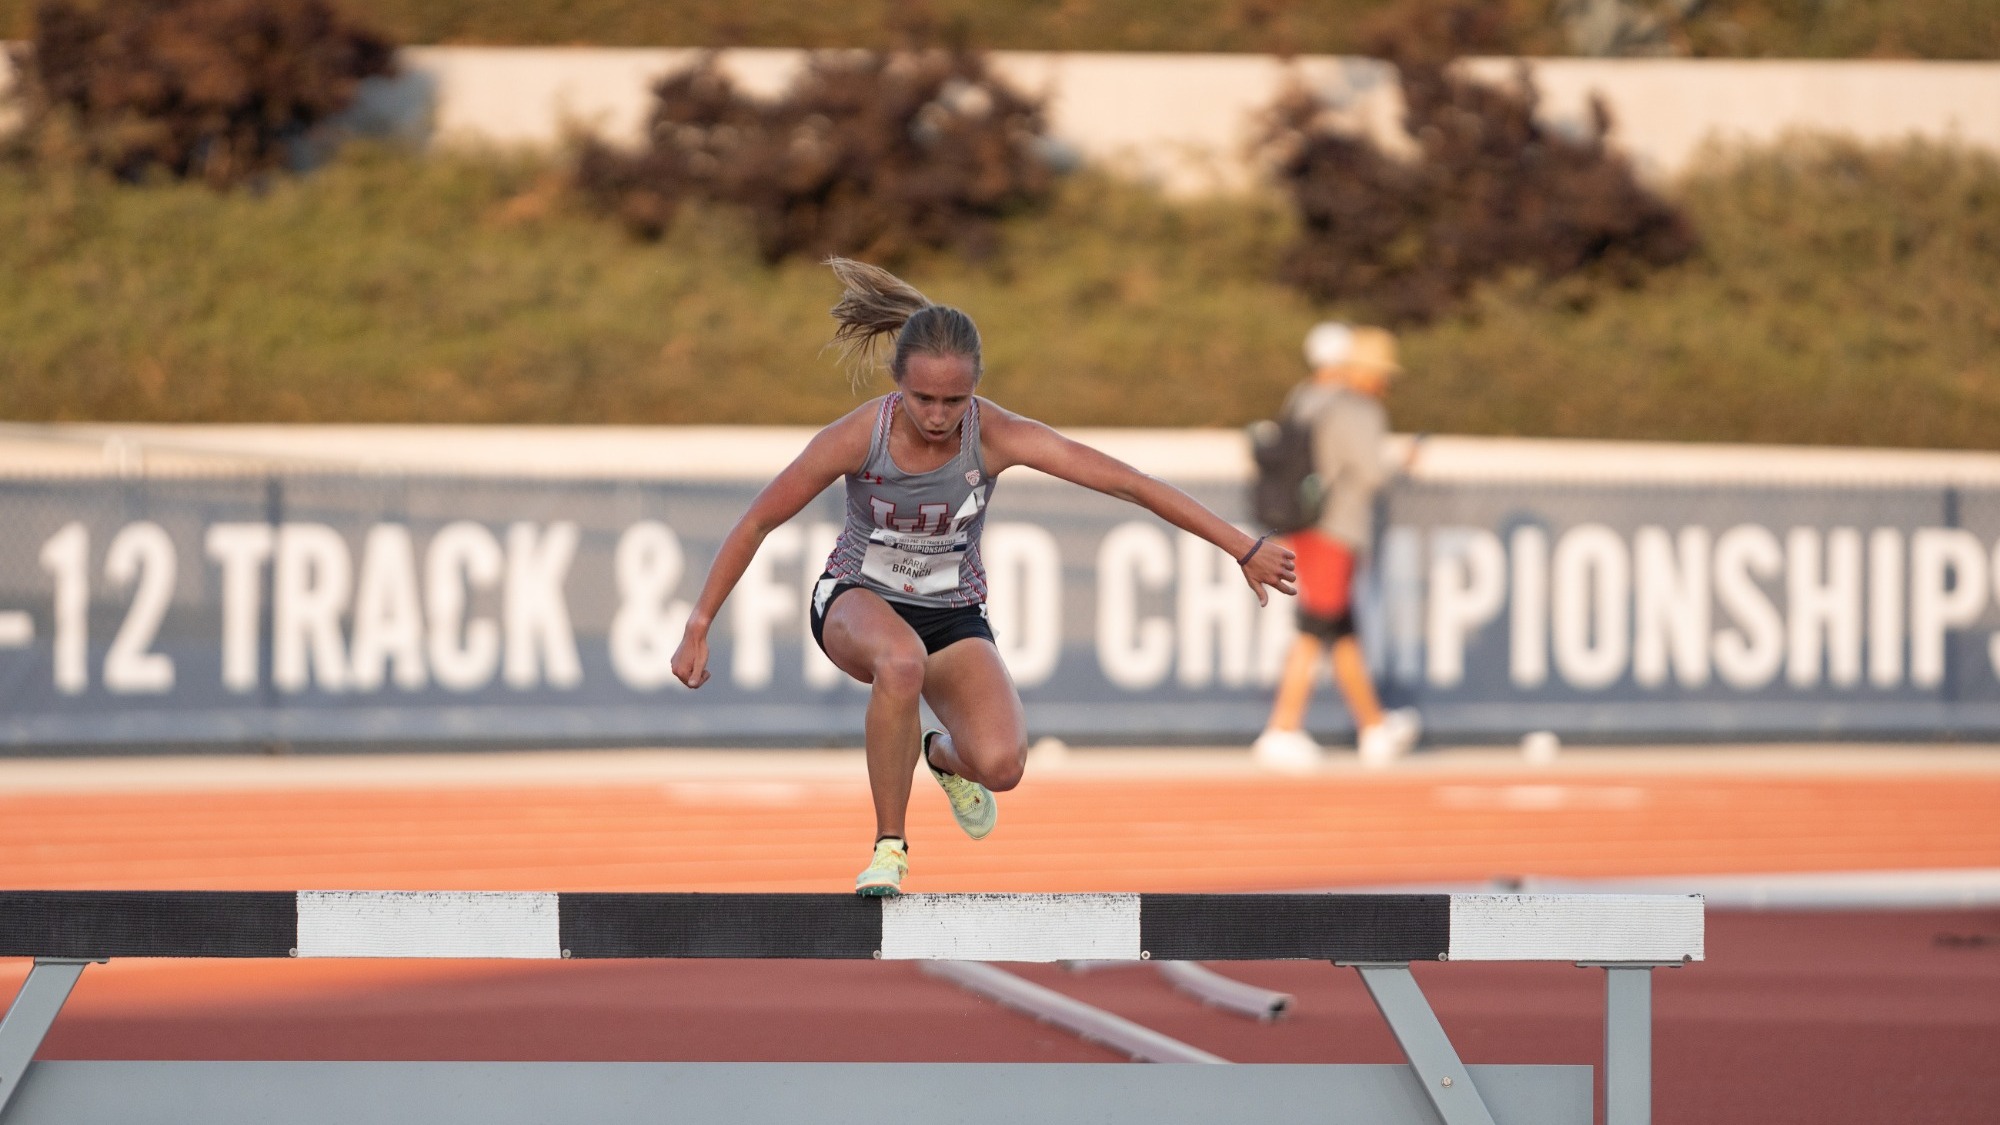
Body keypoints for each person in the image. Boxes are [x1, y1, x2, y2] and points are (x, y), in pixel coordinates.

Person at [671, 258, 1298, 896]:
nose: (940, 416)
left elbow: (1128, 483)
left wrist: (1242, 548)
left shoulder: (996, 435)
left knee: (1001, 766)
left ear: (975, 390)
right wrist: (699, 624)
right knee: (900, 661)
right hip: (854, 599)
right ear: (897, 384)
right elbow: (756, 523)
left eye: (955, 400)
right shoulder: (859, 436)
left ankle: (941, 755)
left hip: (951, 613)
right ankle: (890, 846)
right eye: (923, 400)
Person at [1251, 322, 1420, 773]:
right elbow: (1371, 473)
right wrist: (1402, 461)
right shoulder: (1356, 409)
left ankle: (1373, 726)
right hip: (1337, 529)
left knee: (1341, 628)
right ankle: (1282, 729)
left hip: (1307, 525)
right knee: (1316, 624)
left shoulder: (1306, 399)